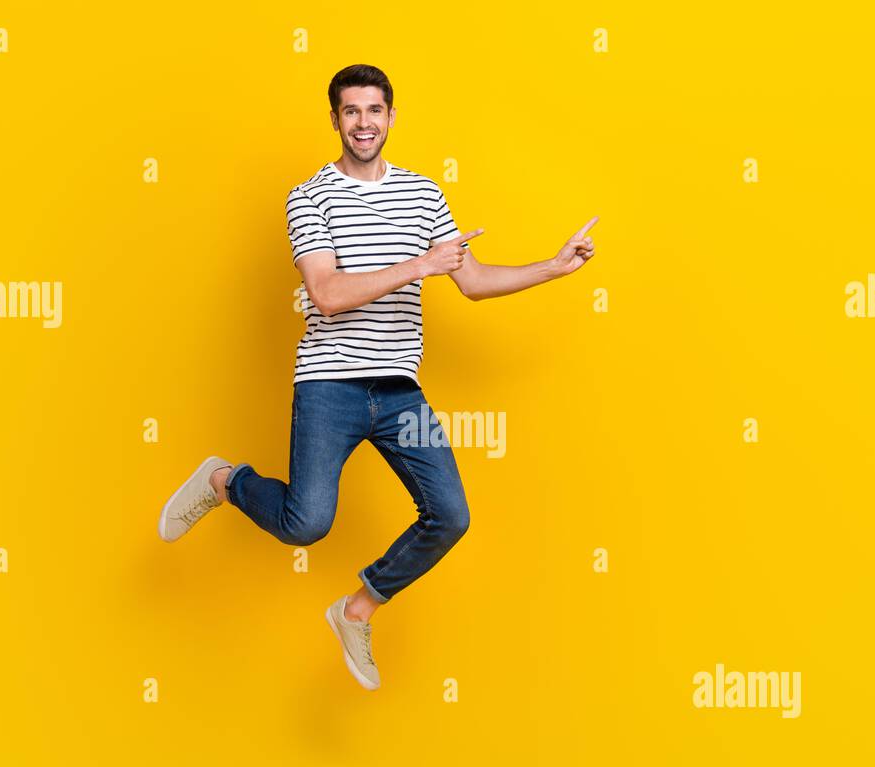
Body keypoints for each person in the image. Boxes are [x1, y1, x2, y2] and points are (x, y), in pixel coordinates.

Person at [159, 63, 597, 690]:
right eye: (350, 112)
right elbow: (328, 293)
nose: (363, 123)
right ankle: (225, 480)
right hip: (329, 384)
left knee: (449, 516)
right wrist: (418, 263)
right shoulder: (309, 196)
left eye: (374, 111)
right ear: (335, 119)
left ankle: (357, 609)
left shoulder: (423, 195)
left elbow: (470, 282)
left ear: (392, 117)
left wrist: (552, 268)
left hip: (398, 393)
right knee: (306, 524)